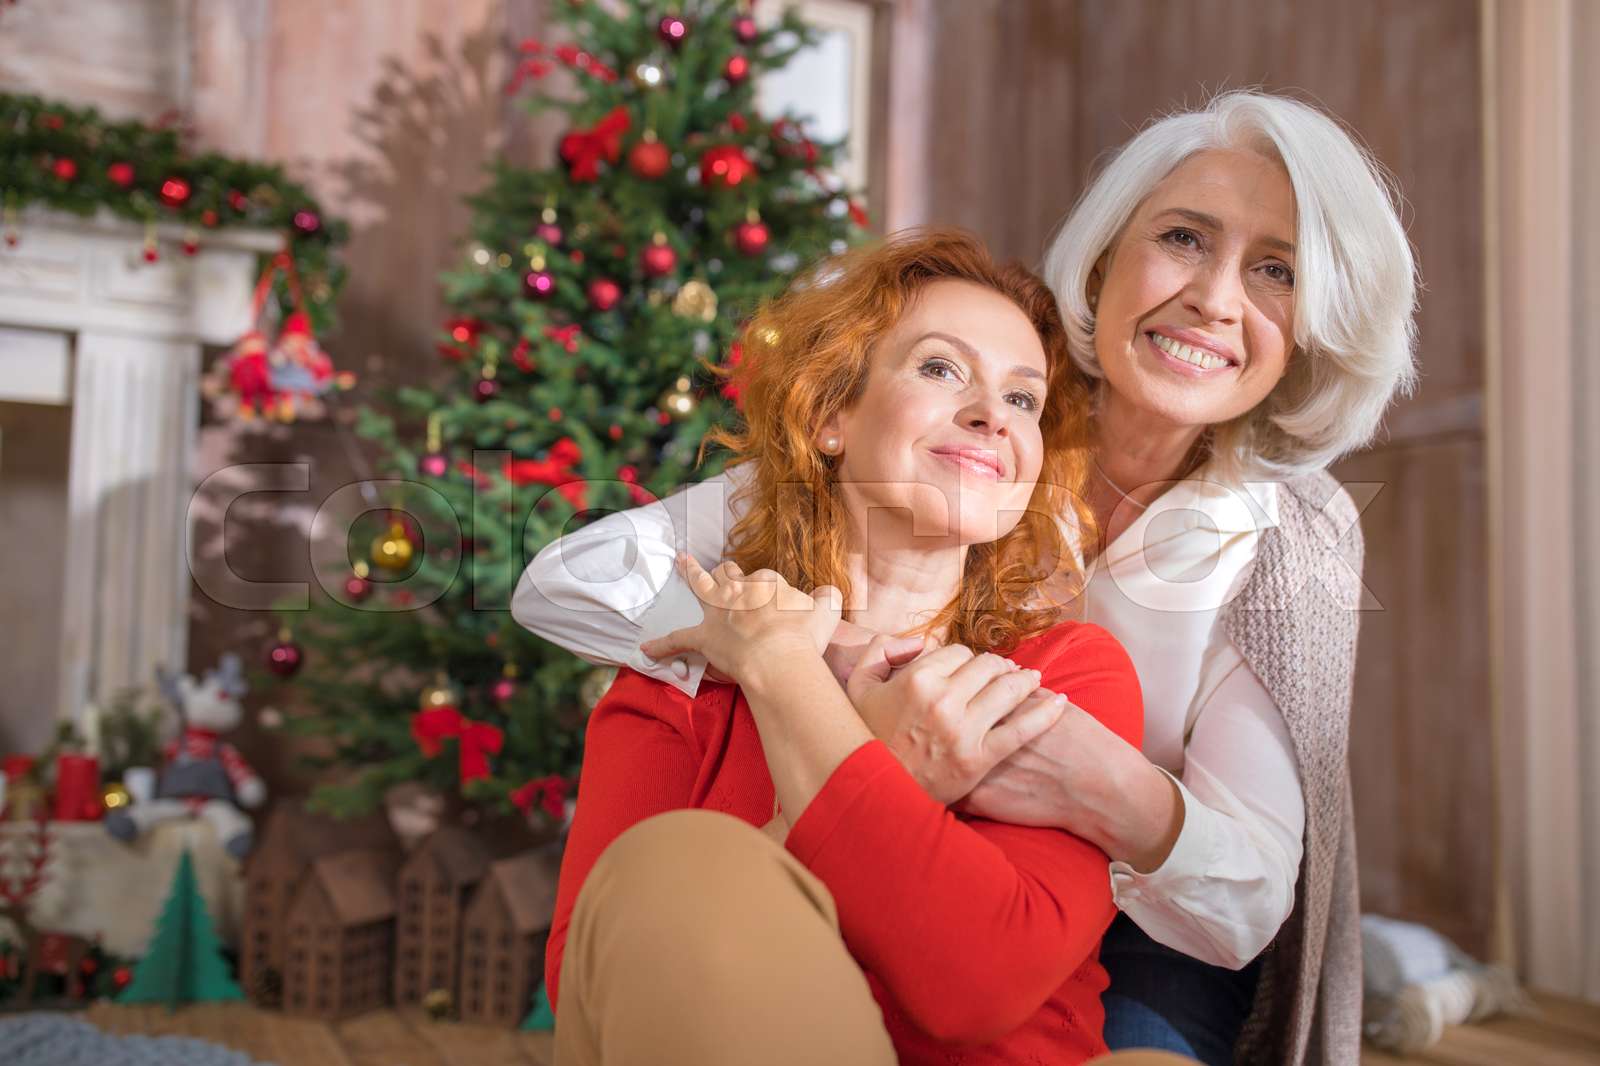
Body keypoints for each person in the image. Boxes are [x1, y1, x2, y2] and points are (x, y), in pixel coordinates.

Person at [516, 90, 1418, 1065]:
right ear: (1105, 260)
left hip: (1152, 922)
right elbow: (580, 579)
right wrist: (802, 663)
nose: (1216, 297)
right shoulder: (958, 425)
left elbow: (1233, 902)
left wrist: (1105, 784)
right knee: (683, 887)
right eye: (1184, 238)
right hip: (872, 902)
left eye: (1277, 269)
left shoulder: (1212, 584)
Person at [542, 230, 1156, 1065]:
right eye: (941, 368)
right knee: (676, 867)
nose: (993, 415)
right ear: (831, 416)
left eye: (1023, 398)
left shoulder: (1068, 671)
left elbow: (983, 984)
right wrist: (885, 762)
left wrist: (791, 677)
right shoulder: (682, 678)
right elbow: (600, 976)